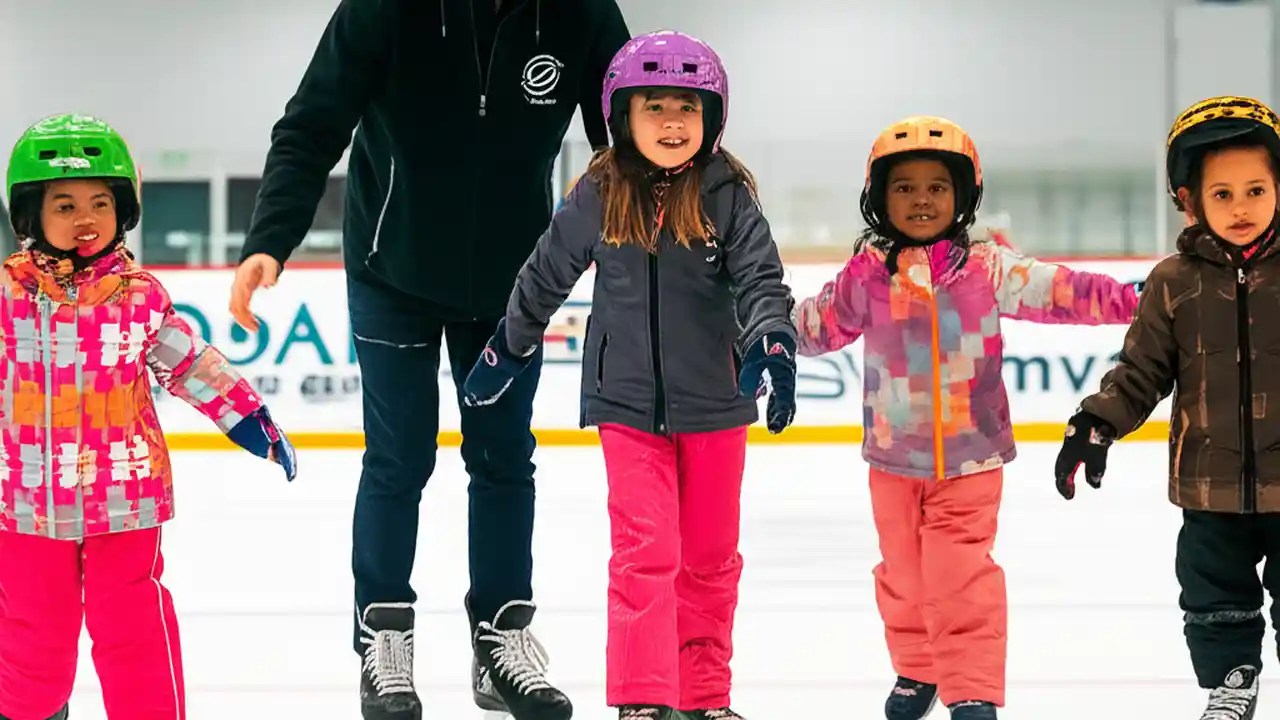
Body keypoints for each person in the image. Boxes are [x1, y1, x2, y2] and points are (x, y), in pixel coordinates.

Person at [226, 0, 630, 717]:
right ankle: (382, 632)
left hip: (516, 279)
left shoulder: (580, 11)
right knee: (398, 457)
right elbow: (312, 125)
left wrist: (655, 253)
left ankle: (501, 638)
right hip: (392, 270)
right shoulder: (384, 8)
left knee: (503, 457)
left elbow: (626, 140)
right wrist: (269, 239)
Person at [460, 30, 797, 720]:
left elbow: (763, 279)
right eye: (655, 107)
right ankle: (644, 699)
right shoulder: (601, 191)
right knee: (645, 554)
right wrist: (508, 346)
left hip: (718, 403)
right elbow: (545, 274)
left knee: (709, 560)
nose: (672, 123)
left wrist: (773, 342)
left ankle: (703, 698)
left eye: (686, 108)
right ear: (621, 115)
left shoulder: (727, 193)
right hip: (626, 405)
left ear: (711, 116)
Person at [791, 116, 1141, 719]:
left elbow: (1065, 291)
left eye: (936, 186)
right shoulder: (869, 275)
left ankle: (972, 687)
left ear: (963, 196)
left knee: (959, 578)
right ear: (879, 198)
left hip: (971, 460)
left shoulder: (987, 268)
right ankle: (917, 668)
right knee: (902, 578)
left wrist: (1141, 299)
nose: (921, 199)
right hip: (891, 462)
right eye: (904, 187)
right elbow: (816, 327)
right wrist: (758, 321)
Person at [0, 113, 296, 720]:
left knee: (132, 624)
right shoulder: (6, 297)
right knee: (32, 630)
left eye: (100, 202)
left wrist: (252, 420)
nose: (85, 217)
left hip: (123, 495)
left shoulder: (140, 297)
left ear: (123, 210)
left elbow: (192, 366)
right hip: (25, 497)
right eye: (64, 204)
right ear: (31, 216)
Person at [1055, 95, 1280, 720]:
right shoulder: (1173, 281)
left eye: (1257, 190)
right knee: (1213, 595)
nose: (1241, 208)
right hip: (1208, 487)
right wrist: (1095, 422)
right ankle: (1231, 682)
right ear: (1191, 199)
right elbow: (1141, 370)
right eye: (1224, 194)